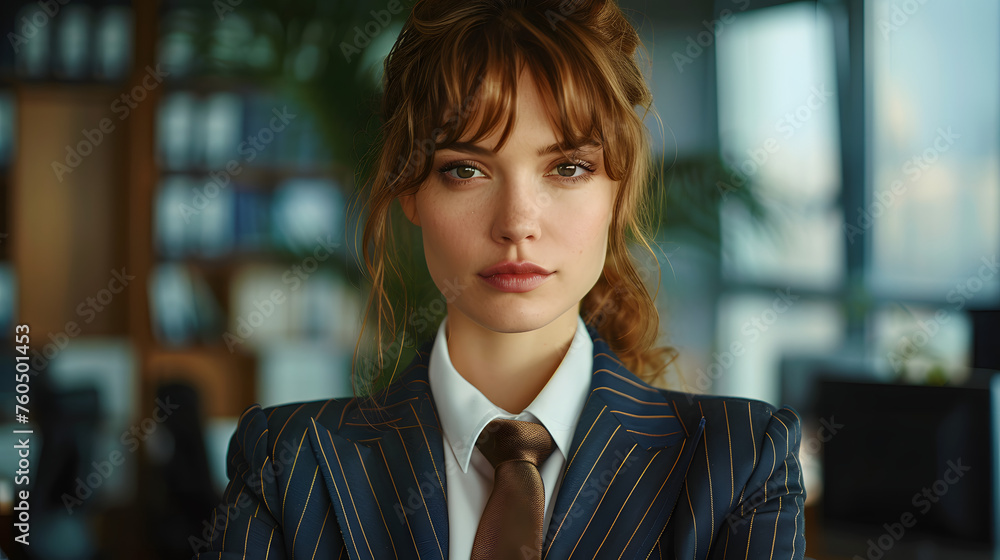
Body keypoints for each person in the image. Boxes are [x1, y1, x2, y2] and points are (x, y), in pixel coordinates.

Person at [194, 0, 806, 558]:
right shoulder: (290, 462)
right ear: (411, 190)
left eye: (567, 167)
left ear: (618, 193)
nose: (517, 223)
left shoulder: (739, 460)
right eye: (466, 170)